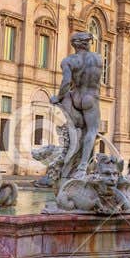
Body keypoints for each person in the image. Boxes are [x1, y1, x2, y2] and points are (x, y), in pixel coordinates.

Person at [54, 31, 103, 180]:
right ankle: (82, 167)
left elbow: (66, 82)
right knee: (92, 130)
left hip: (75, 96)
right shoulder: (98, 59)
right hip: (90, 97)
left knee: (76, 129)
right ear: (86, 43)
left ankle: (69, 162)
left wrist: (58, 97)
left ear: (74, 45)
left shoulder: (68, 61)